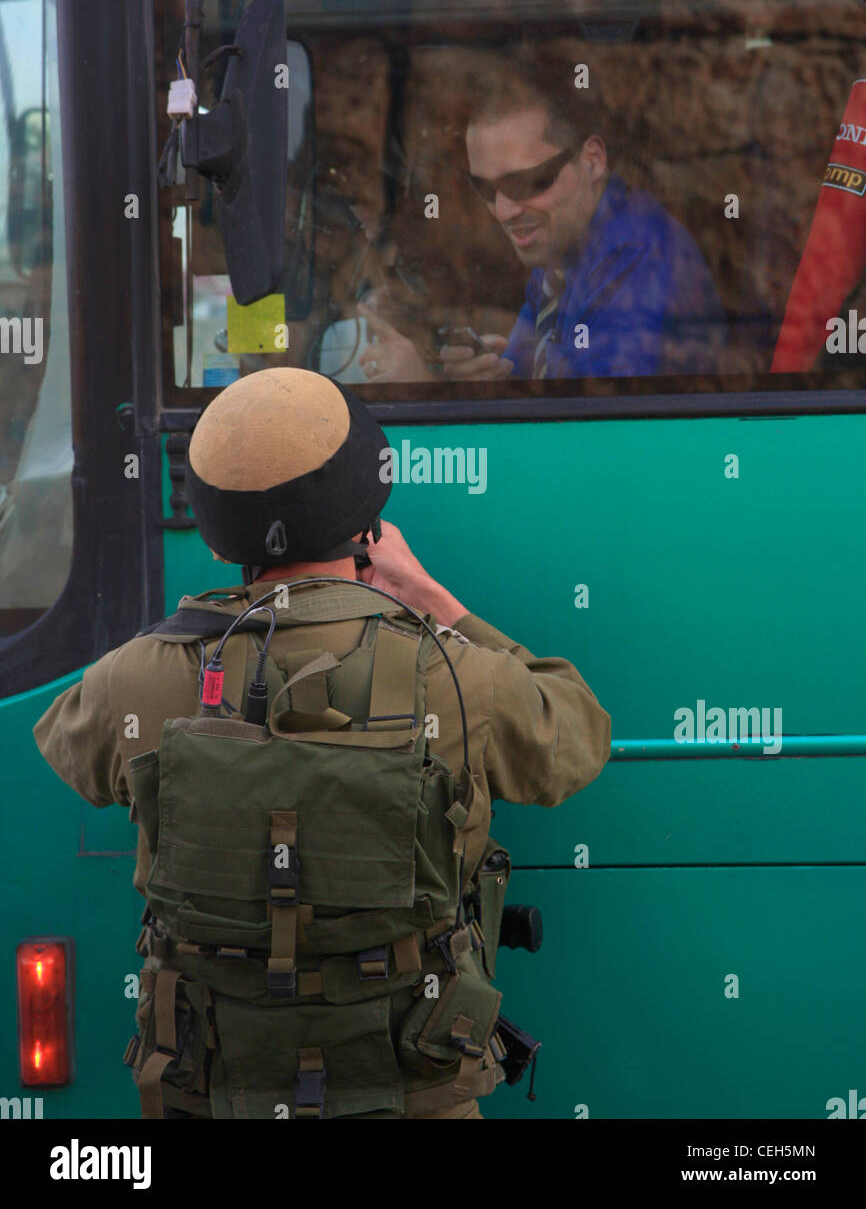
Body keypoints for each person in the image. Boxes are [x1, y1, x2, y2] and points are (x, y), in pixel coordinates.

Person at [33, 368, 611, 1119]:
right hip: (412, 1093)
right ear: (368, 519)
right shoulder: (458, 677)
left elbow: (66, 742)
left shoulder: (136, 680)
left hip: (212, 1097)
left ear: (215, 535)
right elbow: (576, 732)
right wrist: (427, 597)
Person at [356, 56, 729, 382]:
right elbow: (533, 381)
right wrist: (484, 377)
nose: (504, 211)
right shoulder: (561, 252)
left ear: (592, 160)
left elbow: (597, 438)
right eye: (485, 189)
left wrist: (422, 391)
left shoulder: (637, 259)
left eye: (526, 182)